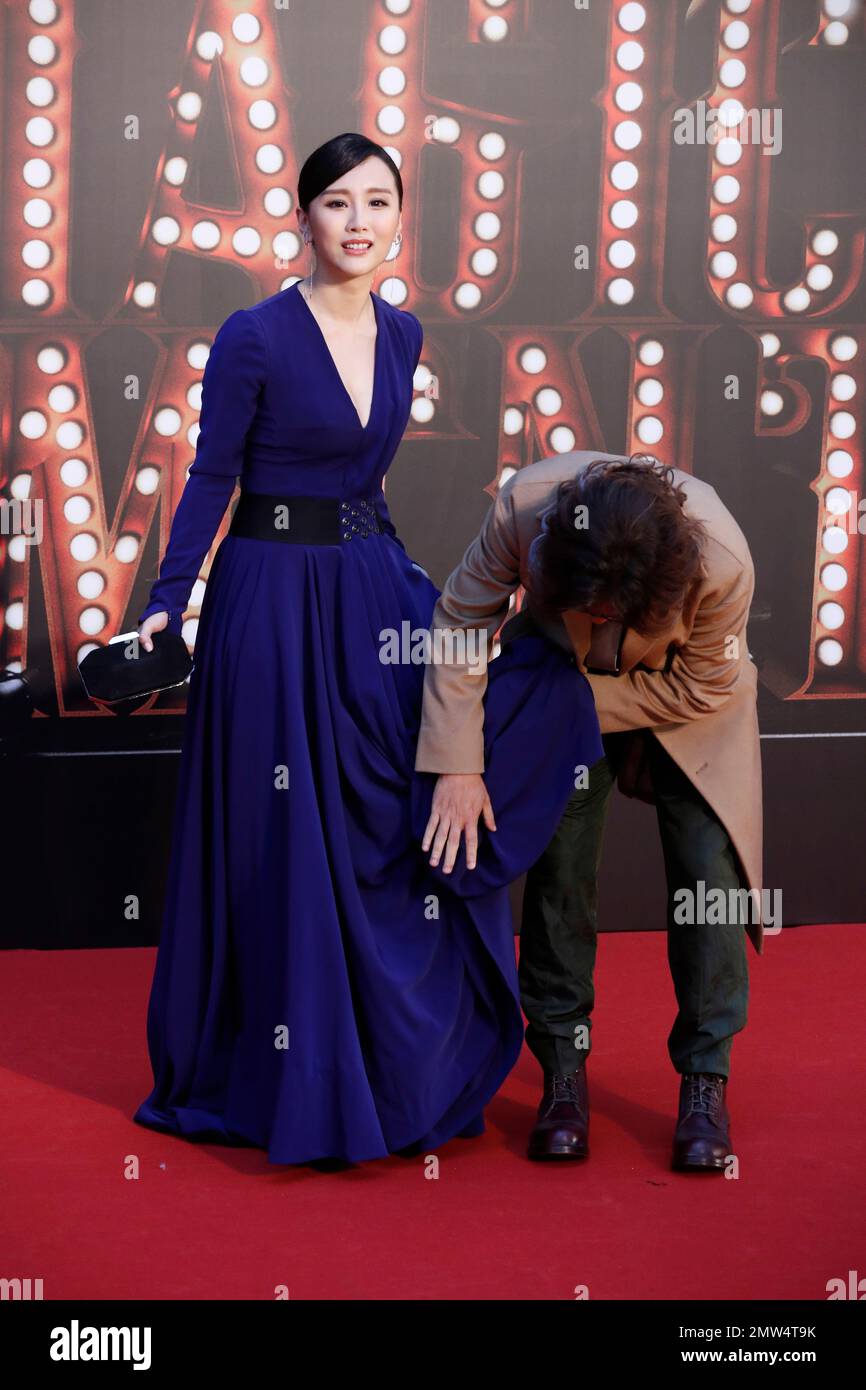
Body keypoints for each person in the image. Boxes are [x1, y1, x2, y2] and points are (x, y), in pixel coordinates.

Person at [132, 133, 603, 1166]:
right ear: (301, 219)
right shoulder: (253, 335)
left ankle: (403, 1060)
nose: (357, 220)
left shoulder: (403, 334)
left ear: (399, 219)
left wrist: (407, 587)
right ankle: (286, 1071)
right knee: (288, 825)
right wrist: (171, 597)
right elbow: (213, 477)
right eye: (335, 202)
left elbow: (367, 479)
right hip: (266, 596)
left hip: (367, 586)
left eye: (377, 202)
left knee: (449, 753)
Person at [415, 452, 763, 1171]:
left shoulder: (722, 561)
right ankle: (563, 1076)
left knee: (710, 880)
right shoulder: (521, 511)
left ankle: (706, 1082)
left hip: (682, 701)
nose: (601, 619)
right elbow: (458, 622)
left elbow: (701, 690)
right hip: (558, 681)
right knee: (560, 865)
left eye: (615, 609)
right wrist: (457, 760)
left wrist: (570, 709)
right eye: (588, 604)